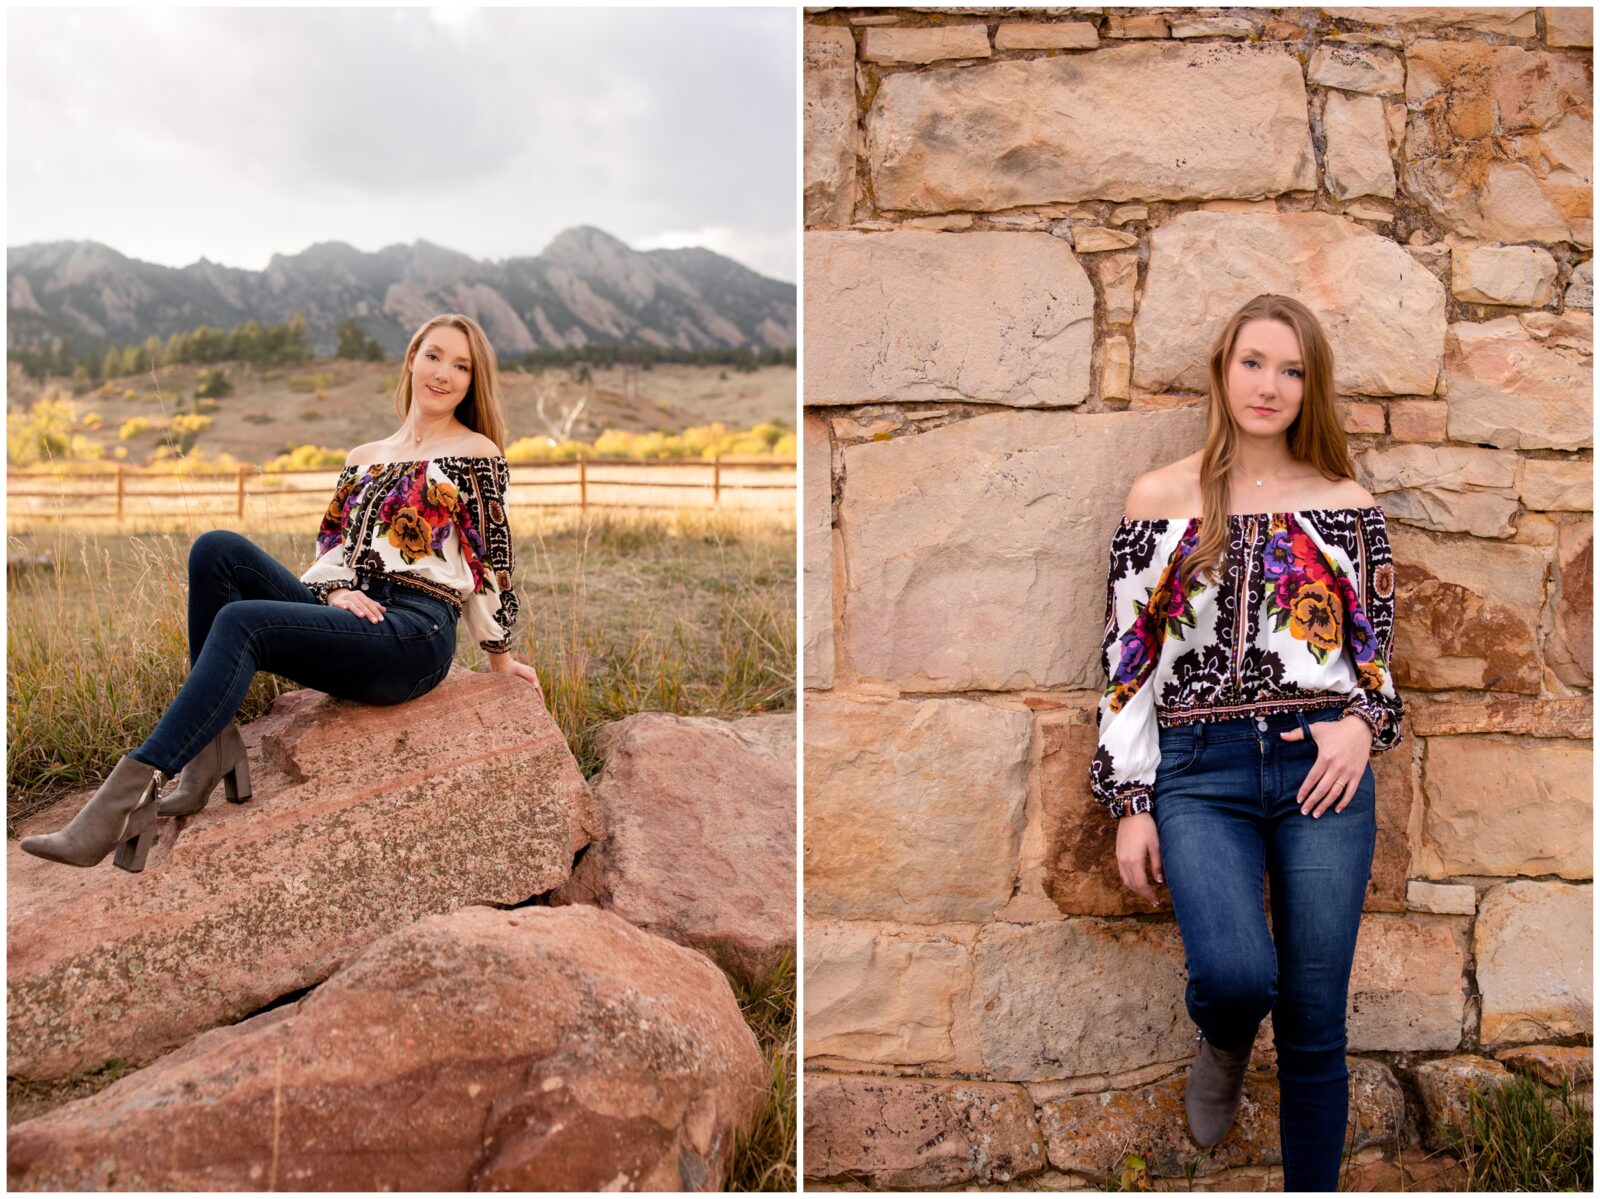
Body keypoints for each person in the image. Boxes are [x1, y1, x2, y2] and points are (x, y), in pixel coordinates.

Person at [22, 313, 543, 873]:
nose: (444, 374)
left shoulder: (476, 453)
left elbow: (494, 562)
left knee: (243, 622)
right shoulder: (364, 456)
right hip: (354, 610)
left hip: (415, 632)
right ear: (412, 357)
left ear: (472, 381)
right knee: (215, 549)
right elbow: (330, 548)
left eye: (461, 366)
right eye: (435, 356)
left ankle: (123, 802)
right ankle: (212, 751)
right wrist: (337, 591)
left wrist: (500, 658)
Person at [1090, 294, 1403, 1192]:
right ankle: (1223, 1038)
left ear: (1314, 388)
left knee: (1313, 1021)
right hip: (1200, 772)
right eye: (1255, 362)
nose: (1271, 386)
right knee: (1234, 976)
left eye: (1294, 370)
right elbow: (1126, 664)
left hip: (1322, 774)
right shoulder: (1159, 500)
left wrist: (1358, 729)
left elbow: (1378, 663)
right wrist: (1132, 801)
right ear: (1223, 369)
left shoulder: (1347, 507)